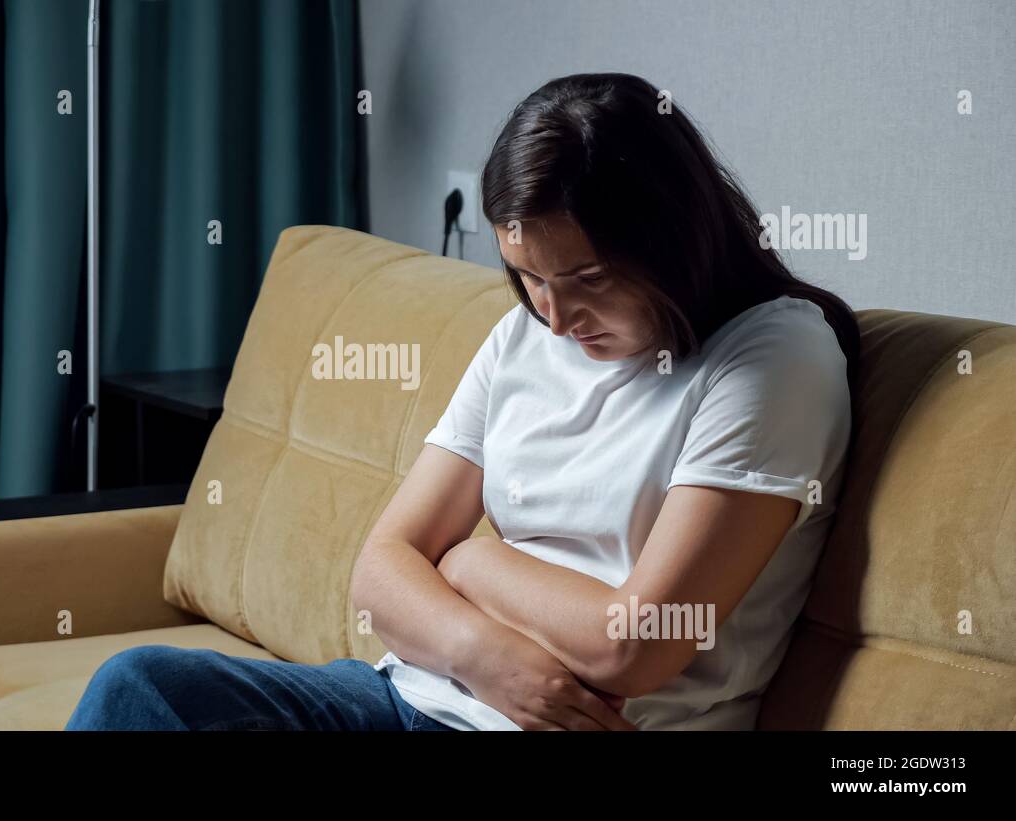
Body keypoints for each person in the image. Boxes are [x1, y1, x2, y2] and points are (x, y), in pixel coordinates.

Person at [64, 72, 857, 731]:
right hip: (412, 695)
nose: (555, 317)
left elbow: (634, 644)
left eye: (586, 278)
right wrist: (487, 657)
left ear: (673, 237)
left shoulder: (772, 357)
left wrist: (470, 559)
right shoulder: (523, 337)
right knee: (141, 687)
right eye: (530, 276)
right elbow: (380, 571)